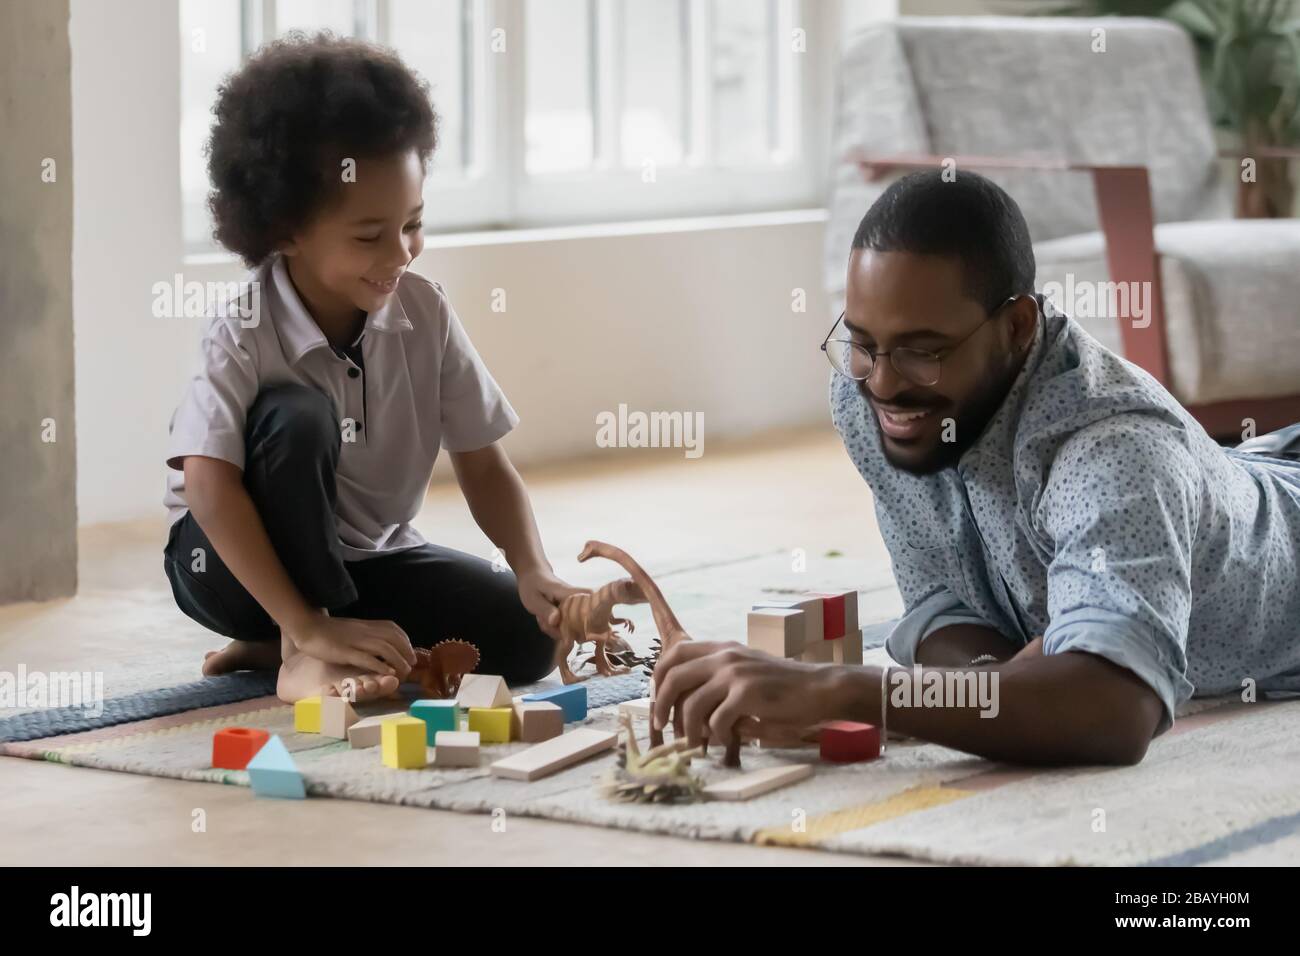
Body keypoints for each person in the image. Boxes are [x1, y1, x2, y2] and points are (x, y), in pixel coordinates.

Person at [652, 170, 1300, 765]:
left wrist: (845, 691)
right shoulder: (865, 395)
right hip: (1238, 472)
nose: (882, 385)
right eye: (863, 343)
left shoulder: (1117, 453)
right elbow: (945, 605)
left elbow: (1112, 708)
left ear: (1018, 325)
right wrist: (1002, 689)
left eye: (921, 352)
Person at [163, 33, 578, 703]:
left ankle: (294, 642)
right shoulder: (241, 327)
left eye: (412, 223)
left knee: (530, 642)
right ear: (285, 229)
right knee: (296, 416)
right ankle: (297, 642)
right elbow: (209, 490)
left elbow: (482, 461)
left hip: (369, 564)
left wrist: (532, 567)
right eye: (368, 235)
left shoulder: (425, 312)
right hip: (228, 569)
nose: (402, 253)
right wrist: (305, 618)